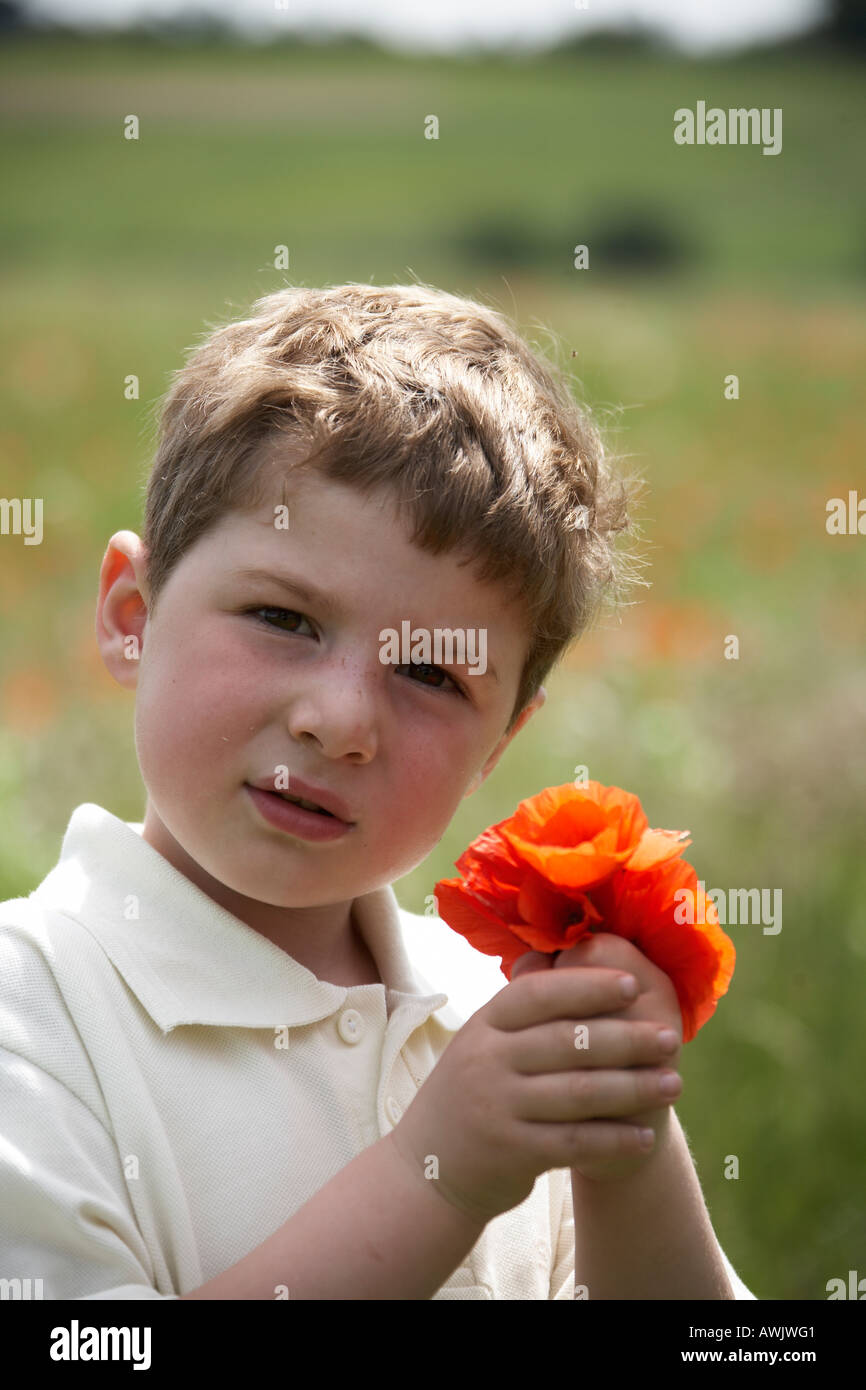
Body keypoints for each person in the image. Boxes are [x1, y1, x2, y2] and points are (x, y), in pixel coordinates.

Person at [0, 282, 755, 1299]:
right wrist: (430, 1178)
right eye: (282, 618)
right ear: (134, 615)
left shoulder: (491, 1012)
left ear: (498, 746)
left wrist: (620, 1143)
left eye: (432, 675)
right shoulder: (39, 1015)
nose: (340, 721)